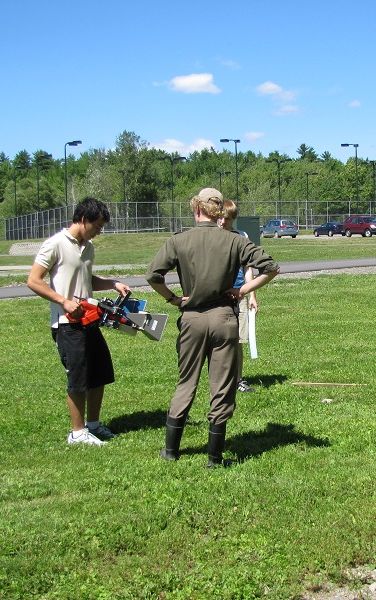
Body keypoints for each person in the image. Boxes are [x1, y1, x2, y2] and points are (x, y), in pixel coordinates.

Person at [145, 188, 279, 467]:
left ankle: (171, 451)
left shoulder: (179, 240)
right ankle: (214, 458)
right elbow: (271, 267)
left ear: (196, 210)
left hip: (191, 319)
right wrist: (243, 290)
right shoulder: (234, 241)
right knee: (222, 387)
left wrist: (172, 299)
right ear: (219, 212)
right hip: (223, 319)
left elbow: (153, 275)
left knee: (186, 382)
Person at [27, 197, 131, 446]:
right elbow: (34, 280)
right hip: (67, 323)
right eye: (96, 226)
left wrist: (112, 283)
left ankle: (93, 425)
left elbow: (86, 277)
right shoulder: (55, 244)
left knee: (101, 372)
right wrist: (63, 301)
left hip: (90, 319)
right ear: (83, 220)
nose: (98, 232)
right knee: (79, 377)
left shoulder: (88, 246)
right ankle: (77, 433)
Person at [218, 199, 258, 393]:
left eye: (227, 218)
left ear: (233, 218)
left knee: (239, 340)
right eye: (220, 218)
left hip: (240, 293)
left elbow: (248, 268)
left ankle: (238, 380)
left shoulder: (242, 236)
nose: (222, 222)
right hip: (219, 295)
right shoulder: (213, 237)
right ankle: (221, 380)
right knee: (221, 339)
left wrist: (251, 295)